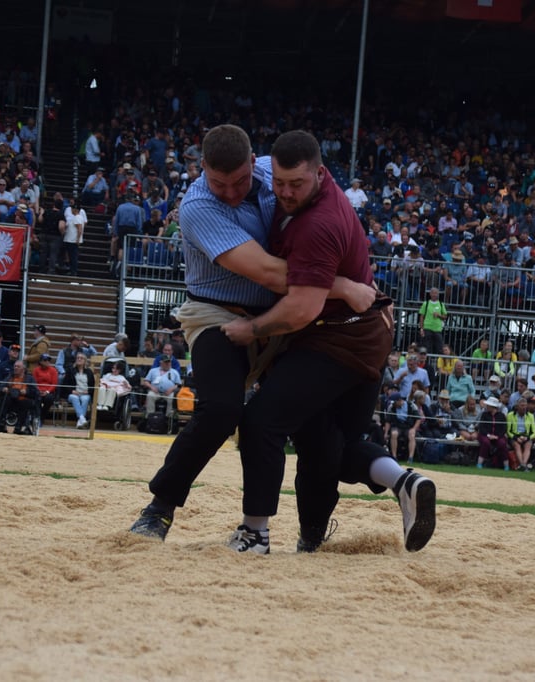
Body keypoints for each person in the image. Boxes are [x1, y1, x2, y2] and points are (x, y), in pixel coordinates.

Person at [128, 124, 380, 551]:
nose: (230, 193)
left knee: (314, 427)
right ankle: (160, 507)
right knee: (220, 409)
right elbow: (267, 271)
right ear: (201, 169)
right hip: (217, 312)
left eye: (240, 181)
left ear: (253, 162)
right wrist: (343, 286)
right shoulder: (197, 207)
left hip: (284, 317)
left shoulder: (276, 173)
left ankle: (311, 535)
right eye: (219, 183)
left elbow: (324, 201)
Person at [218, 130, 435, 553]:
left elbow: (301, 308)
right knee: (328, 445)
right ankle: (402, 482)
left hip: (335, 340)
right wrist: (345, 286)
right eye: (279, 182)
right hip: (363, 335)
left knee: (262, 421)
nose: (285, 192)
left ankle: (255, 533)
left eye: (296, 184)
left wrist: (252, 329)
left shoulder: (317, 223)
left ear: (320, 174)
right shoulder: (312, 190)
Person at [0, 360, 38, 435]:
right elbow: (0, 388)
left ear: (23, 369)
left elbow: (35, 392)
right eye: (15, 366)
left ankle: (19, 426)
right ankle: (1, 423)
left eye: (18, 366)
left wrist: (26, 392)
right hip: (10, 399)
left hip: (23, 400)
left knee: (25, 403)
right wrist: (3, 389)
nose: (16, 368)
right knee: (4, 399)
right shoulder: (9, 377)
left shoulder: (30, 378)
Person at [476, 396, 509, 469]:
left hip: (498, 436)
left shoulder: (501, 416)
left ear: (493, 407)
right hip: (485, 435)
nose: (487, 406)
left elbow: (504, 428)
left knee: (502, 443)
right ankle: (479, 463)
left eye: (488, 405)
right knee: (485, 442)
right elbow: (481, 427)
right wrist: (488, 435)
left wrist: (497, 436)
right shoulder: (484, 415)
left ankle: (506, 465)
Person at [66, 352, 95, 429]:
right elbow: (65, 384)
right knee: (74, 398)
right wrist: (72, 391)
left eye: (81, 358)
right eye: (78, 358)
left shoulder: (89, 372)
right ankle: (82, 419)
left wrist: (88, 391)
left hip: (85, 393)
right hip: (73, 393)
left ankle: (80, 422)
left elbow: (93, 386)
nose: (79, 359)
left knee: (85, 399)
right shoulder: (70, 370)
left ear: (85, 361)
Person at [506, 398, 535, 471]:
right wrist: (516, 438)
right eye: (522, 405)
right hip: (514, 435)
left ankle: (523, 465)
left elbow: (533, 432)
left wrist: (527, 438)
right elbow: (508, 431)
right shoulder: (510, 415)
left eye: (525, 405)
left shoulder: (530, 416)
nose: (524, 407)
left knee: (528, 445)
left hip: (526, 436)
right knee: (517, 446)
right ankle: (523, 465)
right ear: (517, 406)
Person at [417, 287, 447, 355]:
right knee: (427, 348)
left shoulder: (441, 304)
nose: (434, 295)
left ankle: (439, 361)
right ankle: (427, 361)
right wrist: (421, 328)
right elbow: (421, 316)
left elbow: (445, 316)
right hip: (427, 328)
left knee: (440, 348)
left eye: (436, 293)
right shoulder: (426, 303)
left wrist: (439, 315)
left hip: (437, 329)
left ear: (438, 294)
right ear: (430, 294)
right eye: (433, 293)